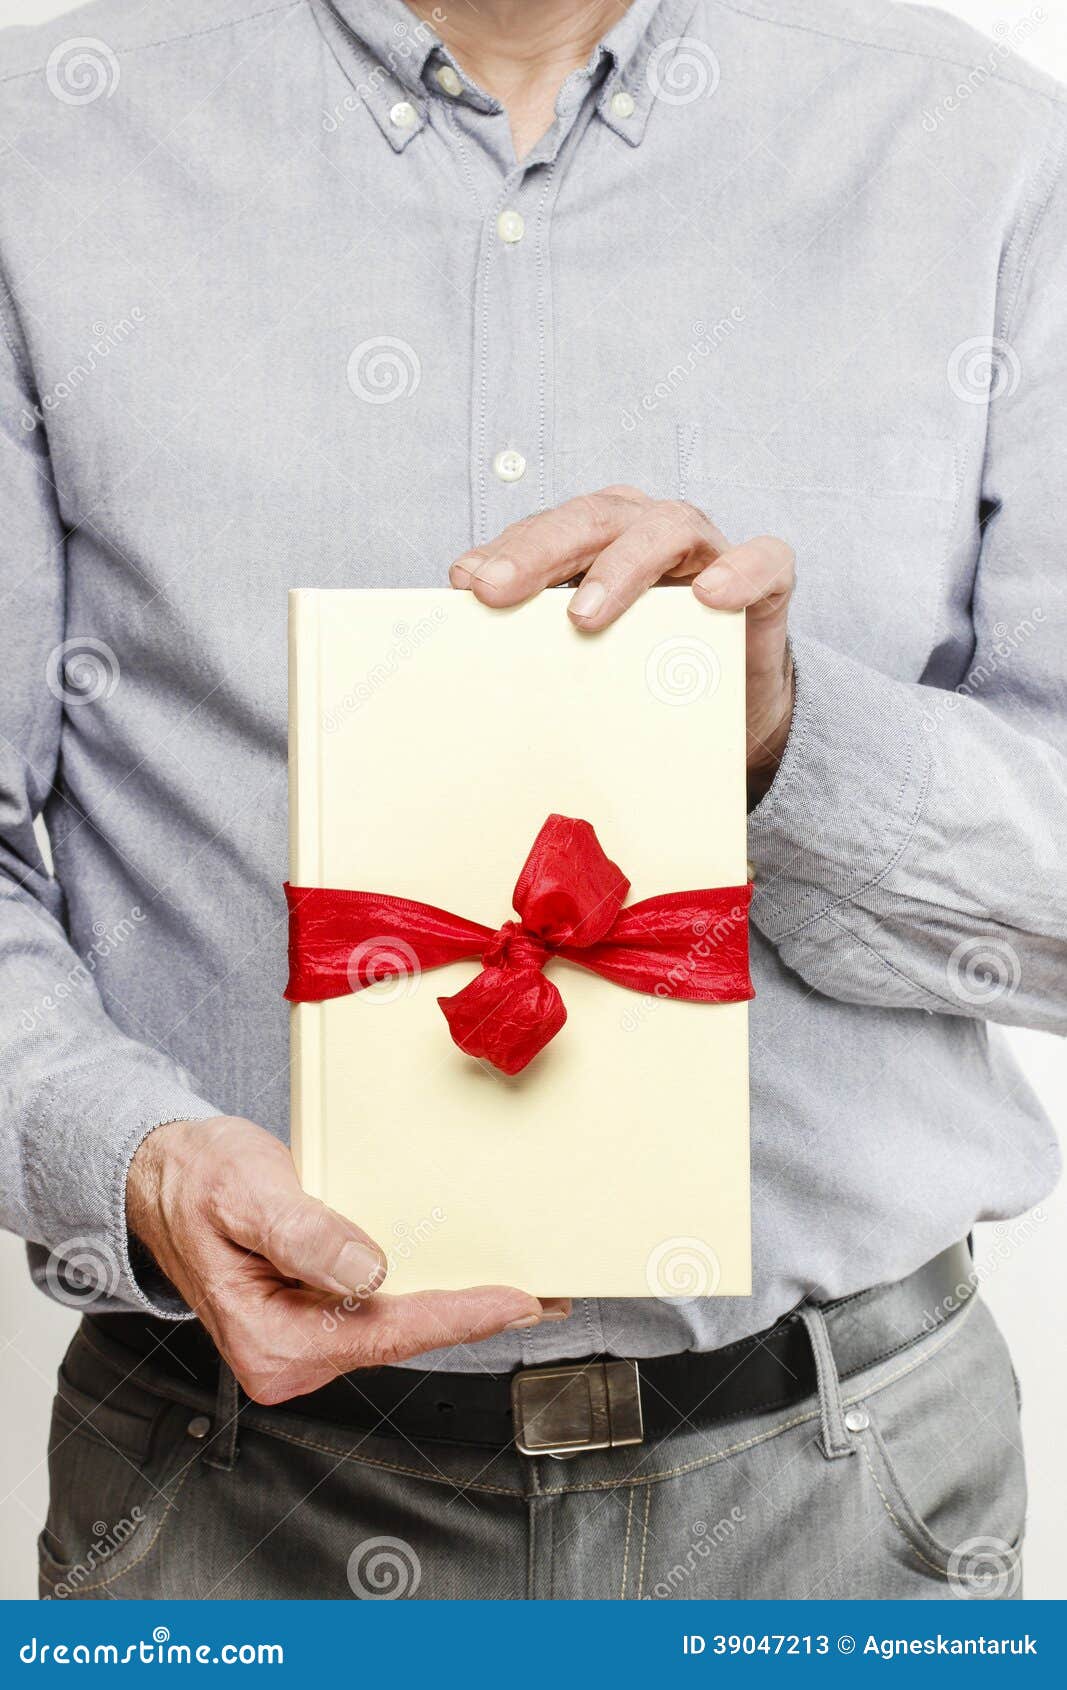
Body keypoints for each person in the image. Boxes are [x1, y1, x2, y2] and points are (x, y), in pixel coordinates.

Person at [2, 0, 1063, 1602]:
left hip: (848, 1510)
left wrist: (785, 741)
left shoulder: (993, 156)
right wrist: (126, 1154)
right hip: (225, 1506)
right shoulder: (41, 145)